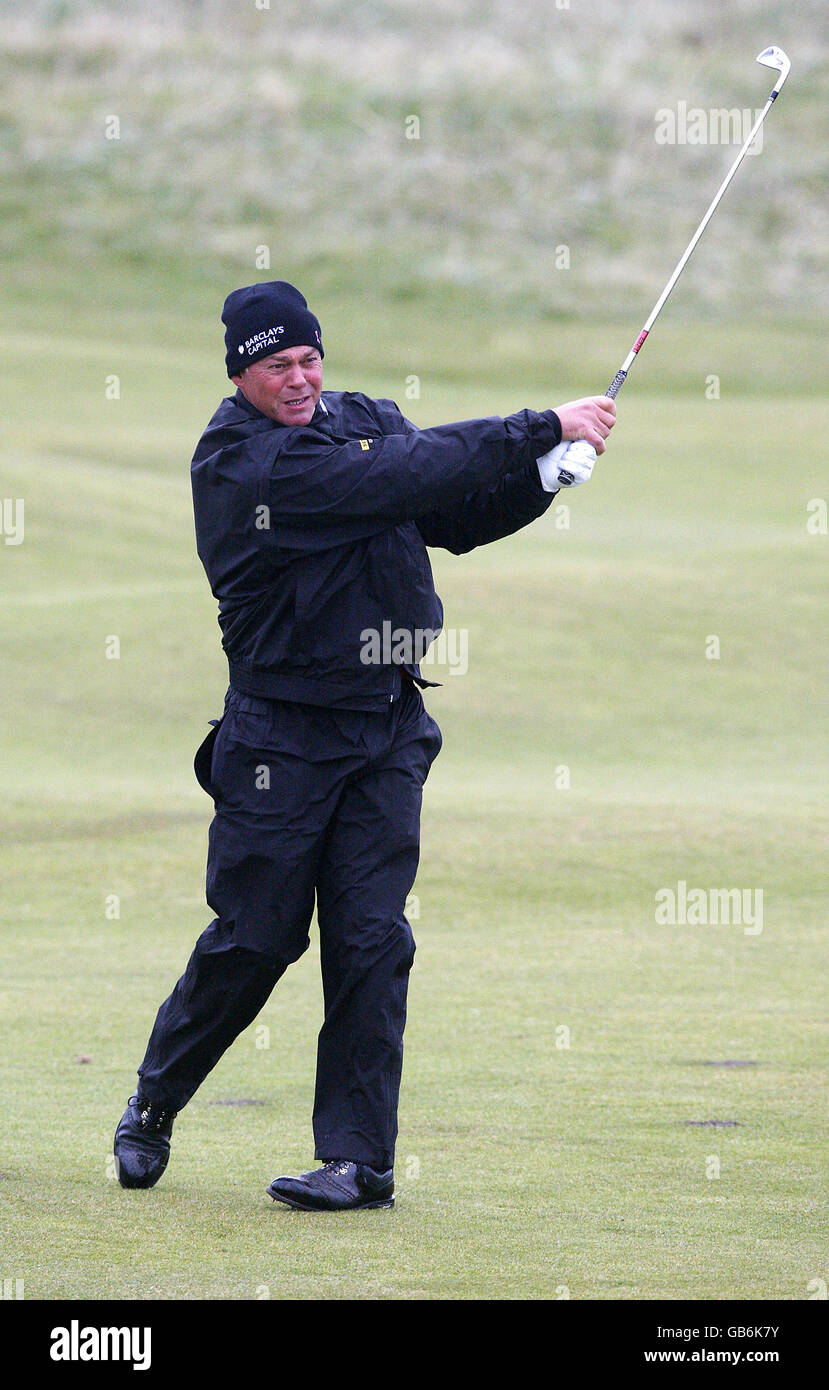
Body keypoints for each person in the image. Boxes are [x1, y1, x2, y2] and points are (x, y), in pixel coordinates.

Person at [113, 280, 615, 1211]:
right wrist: (538, 423)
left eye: (308, 358)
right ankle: (154, 1102)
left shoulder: (361, 420)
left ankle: (356, 1163)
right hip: (281, 738)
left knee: (372, 940)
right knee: (256, 941)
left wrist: (543, 479)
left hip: (384, 727)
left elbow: (448, 511)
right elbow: (392, 477)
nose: (299, 379)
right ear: (239, 375)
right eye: (276, 366)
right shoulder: (243, 466)